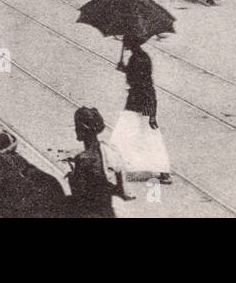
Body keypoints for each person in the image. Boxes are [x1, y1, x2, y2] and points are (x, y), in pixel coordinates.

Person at [109, 38, 171, 185]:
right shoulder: (141, 57)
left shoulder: (137, 59)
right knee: (149, 136)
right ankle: (164, 171)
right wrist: (125, 69)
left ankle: (112, 170)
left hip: (139, 102)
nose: (125, 43)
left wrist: (152, 114)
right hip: (140, 101)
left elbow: (140, 82)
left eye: (127, 41)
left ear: (132, 43)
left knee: (125, 134)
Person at [66, 106, 131, 218]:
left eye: (77, 126)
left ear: (83, 129)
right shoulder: (108, 150)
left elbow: (79, 197)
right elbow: (120, 190)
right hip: (108, 212)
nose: (76, 130)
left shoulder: (82, 159)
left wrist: (72, 177)